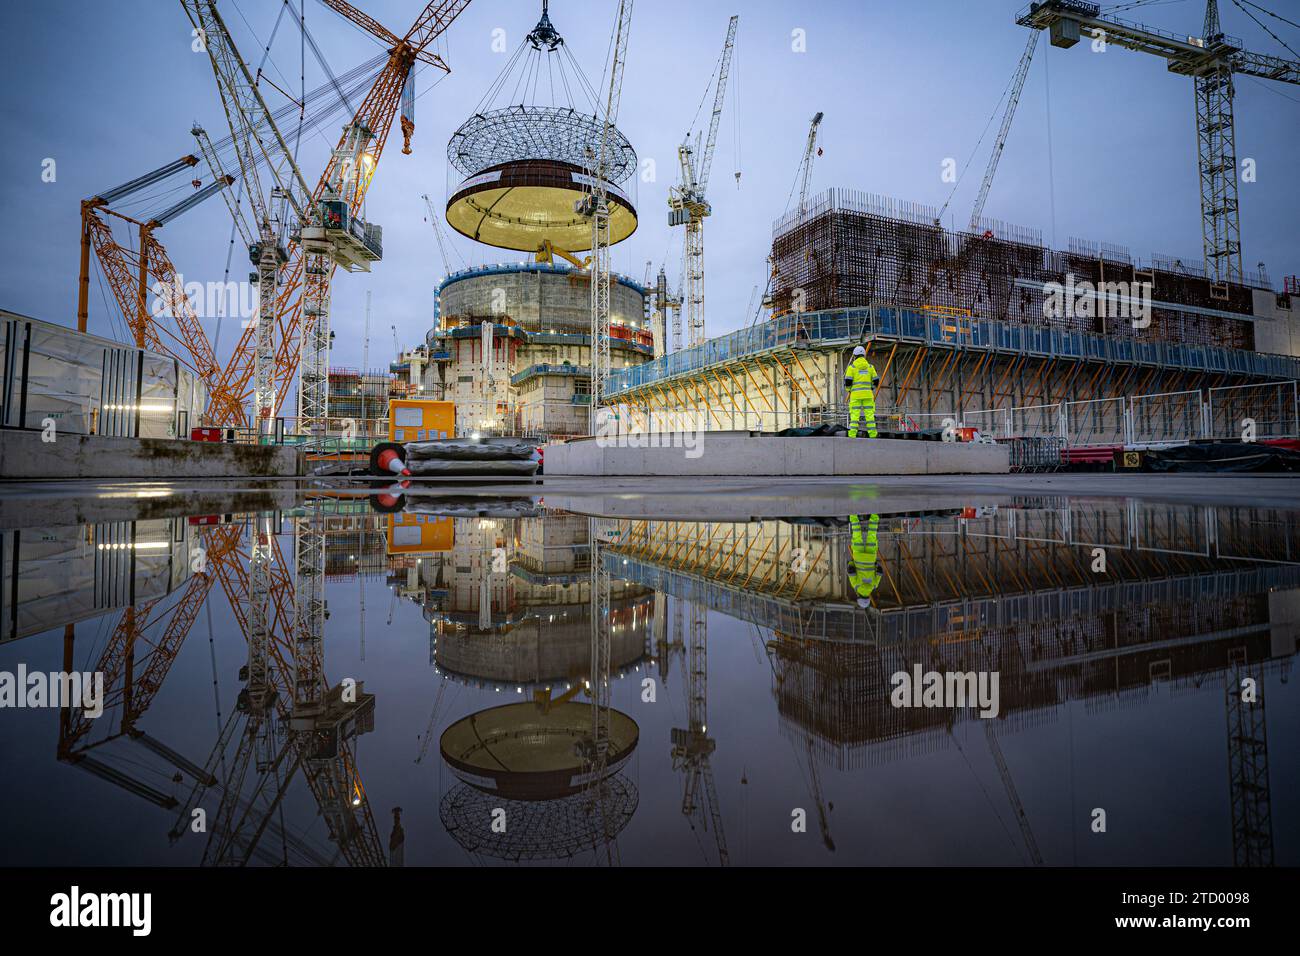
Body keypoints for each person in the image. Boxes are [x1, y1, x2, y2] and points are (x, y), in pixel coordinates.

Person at [844, 345, 878, 438]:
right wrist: (871, 388)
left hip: (855, 396)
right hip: (868, 395)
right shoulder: (870, 367)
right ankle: (873, 435)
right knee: (870, 416)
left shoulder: (852, 368)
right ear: (864, 355)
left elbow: (847, 381)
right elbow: (876, 381)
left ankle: (852, 435)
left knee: (854, 417)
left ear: (855, 356)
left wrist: (849, 390)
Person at [848, 513, 881, 608]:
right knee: (857, 535)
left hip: (871, 558)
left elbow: (880, 571)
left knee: (872, 535)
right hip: (858, 556)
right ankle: (853, 515)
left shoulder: (875, 585)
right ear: (858, 597)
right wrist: (851, 562)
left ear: (868, 597)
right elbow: (851, 570)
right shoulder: (856, 586)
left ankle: (875, 515)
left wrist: (874, 565)